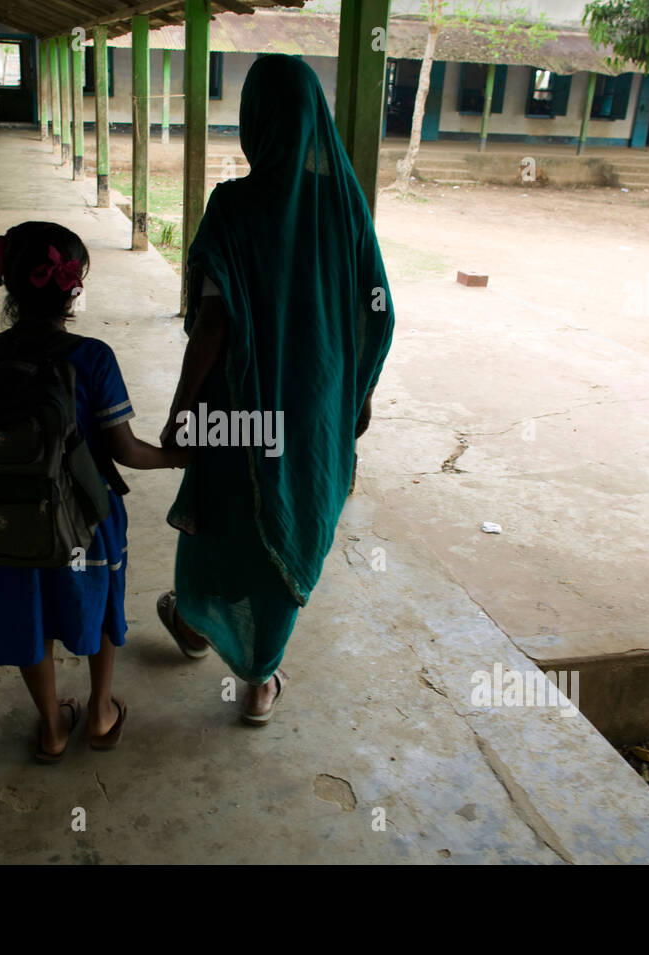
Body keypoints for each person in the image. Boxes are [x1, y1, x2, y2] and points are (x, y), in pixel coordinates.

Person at [157, 55, 396, 725]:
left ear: (254, 121)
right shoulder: (344, 208)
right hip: (316, 410)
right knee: (292, 520)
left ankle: (200, 623)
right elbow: (377, 309)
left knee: (225, 513)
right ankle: (260, 678)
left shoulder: (233, 206)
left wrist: (181, 415)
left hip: (239, 411)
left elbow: (211, 322)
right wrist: (359, 388)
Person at [0, 221, 187, 762]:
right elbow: (126, 451)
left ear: (8, 284)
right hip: (87, 517)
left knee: (29, 611)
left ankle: (50, 728)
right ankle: (99, 713)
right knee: (99, 601)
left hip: (14, 520)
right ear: (72, 288)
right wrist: (182, 457)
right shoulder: (93, 357)